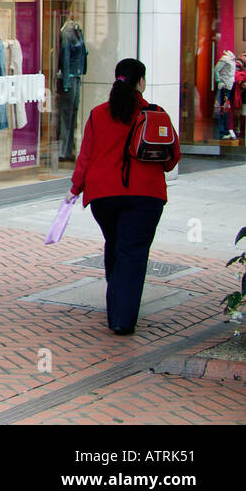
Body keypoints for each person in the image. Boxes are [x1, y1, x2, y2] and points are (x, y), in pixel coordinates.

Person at [70, 58, 181, 335]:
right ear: (141, 82)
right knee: (133, 253)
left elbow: (85, 157)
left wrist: (75, 189)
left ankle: (117, 305)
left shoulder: (97, 114)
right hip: (145, 196)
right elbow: (171, 159)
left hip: (103, 196)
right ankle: (122, 319)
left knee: (116, 244)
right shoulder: (155, 115)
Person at [213, 50, 236, 140]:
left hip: (228, 86)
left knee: (225, 109)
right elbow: (216, 69)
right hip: (224, 86)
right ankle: (221, 132)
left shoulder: (232, 59)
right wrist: (219, 80)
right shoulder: (225, 59)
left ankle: (224, 131)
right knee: (223, 109)